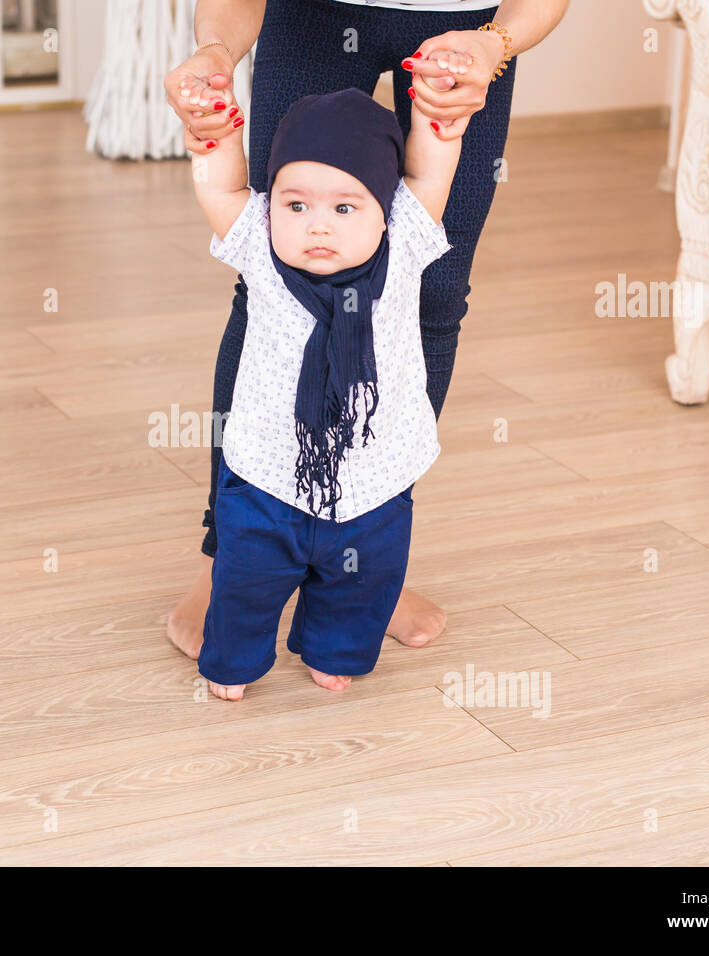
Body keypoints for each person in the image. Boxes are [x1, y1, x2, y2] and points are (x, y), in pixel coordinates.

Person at [165, 0, 570, 661]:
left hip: (468, 25)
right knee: (276, 279)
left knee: (433, 287)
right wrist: (216, 49)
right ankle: (229, 555)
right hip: (315, 16)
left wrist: (496, 43)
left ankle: (363, 555)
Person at [191, 80, 470, 700]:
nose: (319, 227)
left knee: (364, 581)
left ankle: (333, 650)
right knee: (246, 581)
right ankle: (234, 662)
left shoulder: (404, 248)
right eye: (296, 206)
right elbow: (218, 186)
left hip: (374, 480)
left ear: (386, 208)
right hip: (267, 476)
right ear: (270, 208)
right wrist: (215, 136)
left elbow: (431, 175)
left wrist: (436, 116)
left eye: (345, 208)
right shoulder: (261, 254)